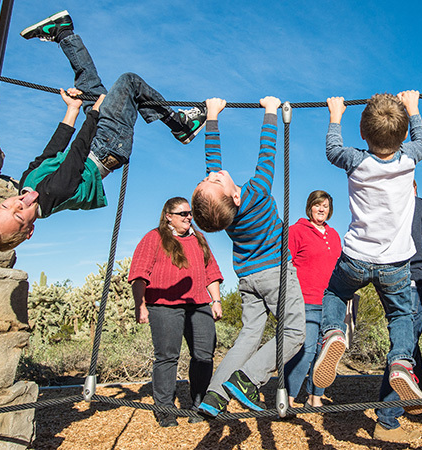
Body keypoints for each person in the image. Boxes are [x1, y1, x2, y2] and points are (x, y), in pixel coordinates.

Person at [0, 10, 206, 251]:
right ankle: (180, 124)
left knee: (87, 84)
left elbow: (51, 152)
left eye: (6, 206)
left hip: (95, 141)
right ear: (29, 230)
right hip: (104, 147)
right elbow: (76, 154)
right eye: (18, 217)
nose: (17, 205)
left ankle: (63, 32)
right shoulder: (54, 192)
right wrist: (94, 114)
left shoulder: (25, 183)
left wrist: (73, 109)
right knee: (129, 82)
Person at [311, 91, 422, 442]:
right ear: (403, 134)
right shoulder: (410, 159)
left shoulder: (356, 161)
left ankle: (333, 333)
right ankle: (401, 363)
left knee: (335, 292)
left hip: (356, 258)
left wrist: (335, 114)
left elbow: (332, 149)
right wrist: (413, 108)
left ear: (363, 134)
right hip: (395, 262)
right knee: (401, 316)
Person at [191, 97, 305, 418]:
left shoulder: (225, 213)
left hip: (247, 278)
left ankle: (214, 395)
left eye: (209, 178)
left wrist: (212, 116)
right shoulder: (255, 193)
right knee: (295, 332)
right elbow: (266, 154)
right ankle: (249, 378)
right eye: (214, 179)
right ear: (235, 195)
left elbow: (213, 161)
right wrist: (270, 112)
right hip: (275, 272)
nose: (215, 173)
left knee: (249, 335)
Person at [128, 197, 223, 427]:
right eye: (182, 213)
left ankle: (199, 404)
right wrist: (140, 304)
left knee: (204, 354)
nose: (188, 217)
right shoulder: (154, 238)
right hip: (163, 305)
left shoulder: (199, 239)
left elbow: (211, 271)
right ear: (168, 216)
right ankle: (165, 409)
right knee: (167, 357)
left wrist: (216, 300)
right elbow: (139, 273)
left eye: (190, 213)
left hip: (198, 304)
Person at [375, 180, 422, 439]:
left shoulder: (409, 208)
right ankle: (404, 412)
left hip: (404, 283)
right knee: (405, 346)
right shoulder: (406, 208)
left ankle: (407, 409)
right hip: (403, 283)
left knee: (405, 346)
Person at [284, 190, 342, 408]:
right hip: (305, 300)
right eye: (317, 205)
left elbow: (339, 267)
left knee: (324, 353)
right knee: (306, 349)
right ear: (309, 207)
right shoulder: (296, 231)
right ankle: (287, 399)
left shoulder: (334, 235)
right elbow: (286, 265)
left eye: (325, 206)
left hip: (331, 302)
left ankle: (314, 398)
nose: (321, 209)